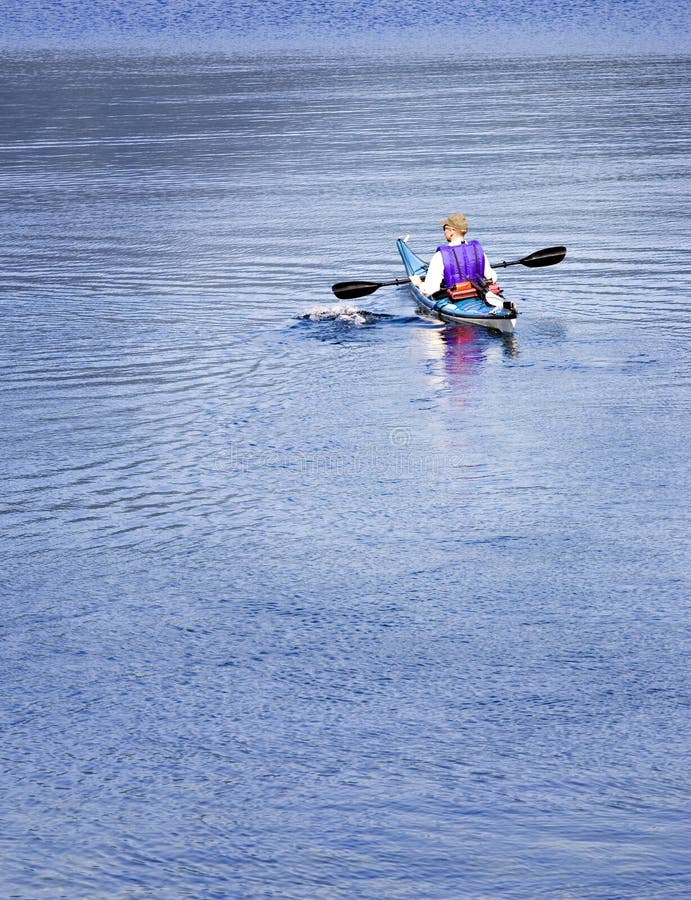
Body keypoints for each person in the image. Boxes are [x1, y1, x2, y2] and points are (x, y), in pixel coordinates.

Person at [409, 213, 502, 307]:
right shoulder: (477, 250)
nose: (444, 232)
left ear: (452, 231)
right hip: (479, 295)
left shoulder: (440, 256)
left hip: (456, 300)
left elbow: (429, 290)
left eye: (444, 228)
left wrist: (418, 283)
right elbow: (492, 278)